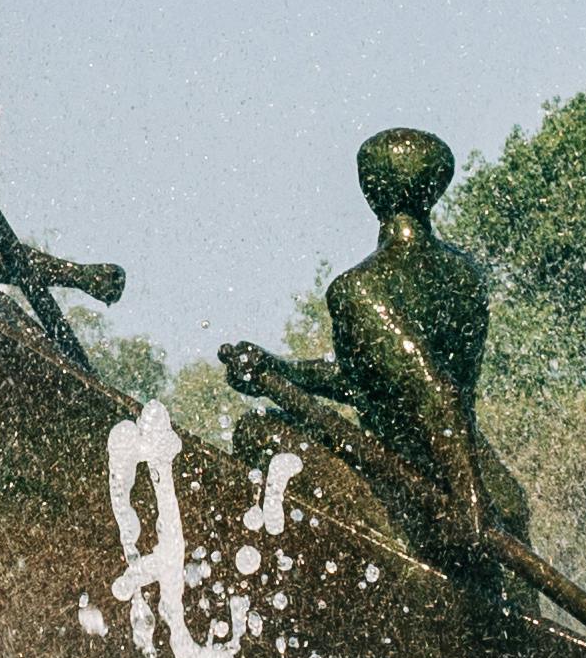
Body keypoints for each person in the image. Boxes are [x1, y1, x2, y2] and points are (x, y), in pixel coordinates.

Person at [226, 129, 534, 579]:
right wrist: (278, 370)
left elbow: (436, 394)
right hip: (493, 487)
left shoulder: (357, 288)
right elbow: (374, 383)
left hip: (433, 499)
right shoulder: (466, 276)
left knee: (258, 431)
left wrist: (469, 505)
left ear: (369, 189)